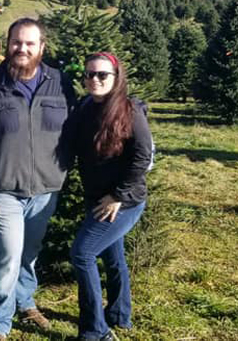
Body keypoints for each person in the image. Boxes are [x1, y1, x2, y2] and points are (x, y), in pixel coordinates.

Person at [0, 18, 76, 340]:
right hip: (1, 189)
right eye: (16, 42)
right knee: (8, 254)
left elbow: (75, 129)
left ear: (41, 47)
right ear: (7, 44)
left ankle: (25, 301)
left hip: (45, 188)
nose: (22, 49)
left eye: (29, 43)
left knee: (29, 252)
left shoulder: (60, 83)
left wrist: (62, 167)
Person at [69, 52, 152, 341]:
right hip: (96, 197)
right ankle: (119, 314)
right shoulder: (84, 107)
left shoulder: (130, 111)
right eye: (90, 74)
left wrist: (118, 195)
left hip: (124, 202)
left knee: (82, 253)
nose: (95, 80)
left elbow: (142, 157)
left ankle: (96, 332)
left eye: (102, 75)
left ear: (116, 78)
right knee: (113, 256)